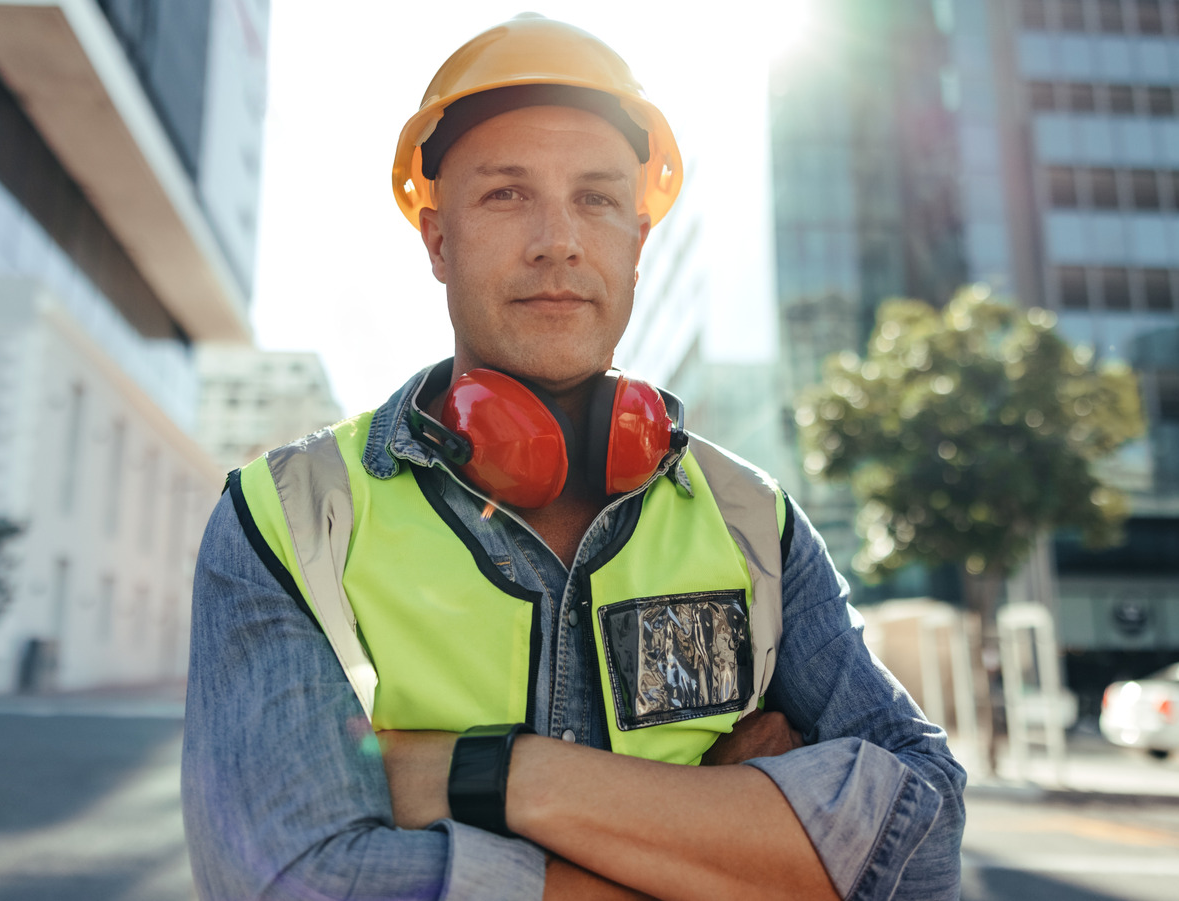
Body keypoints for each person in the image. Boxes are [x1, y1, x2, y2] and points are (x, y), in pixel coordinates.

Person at [182, 14, 965, 900]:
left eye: (595, 198)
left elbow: (924, 837)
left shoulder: (751, 516)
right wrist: (727, 836)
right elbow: (295, 882)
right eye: (508, 194)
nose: (559, 239)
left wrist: (487, 775)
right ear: (439, 240)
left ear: (637, 241)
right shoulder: (288, 518)